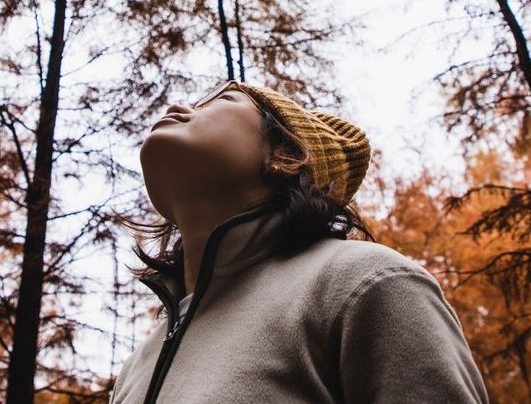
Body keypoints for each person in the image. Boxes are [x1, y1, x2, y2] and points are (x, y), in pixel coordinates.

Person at [109, 79, 489, 403]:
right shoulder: (134, 368)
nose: (178, 107)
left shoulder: (363, 284)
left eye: (222, 100)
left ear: (286, 156)